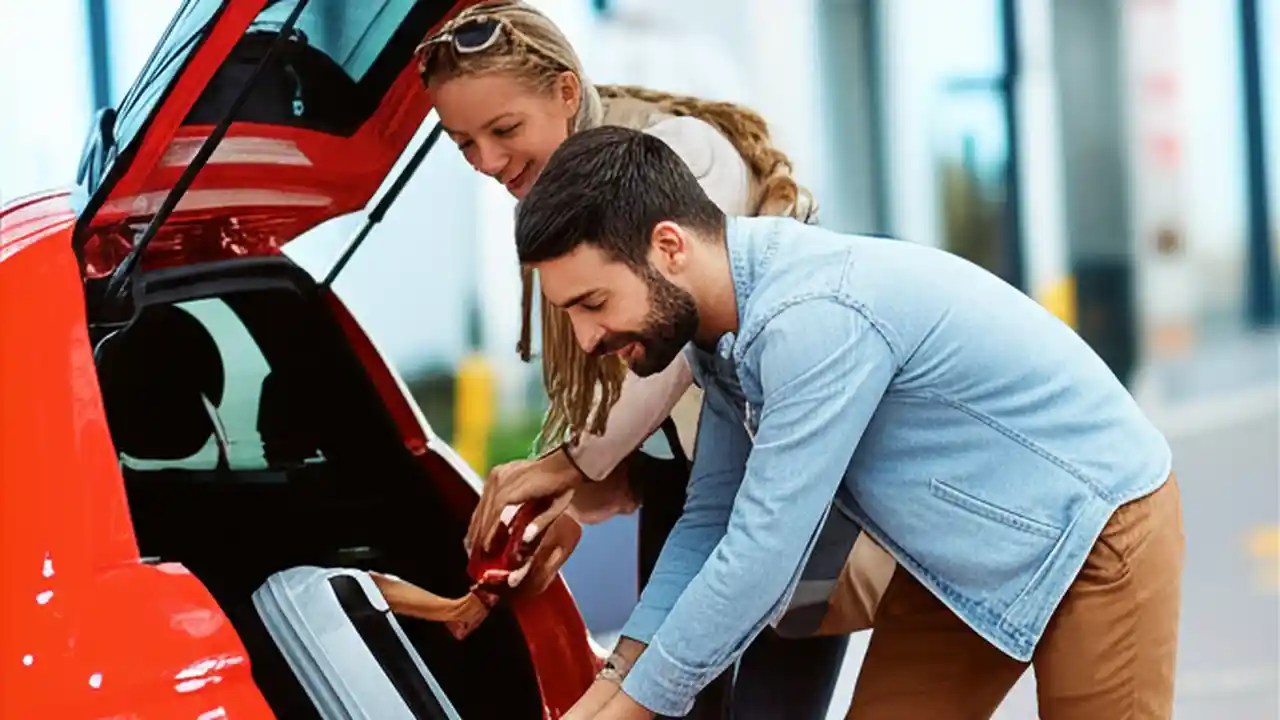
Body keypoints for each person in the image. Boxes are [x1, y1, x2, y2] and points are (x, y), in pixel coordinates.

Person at [511, 125, 1185, 719]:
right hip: (956, 553)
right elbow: (710, 518)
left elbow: (762, 552)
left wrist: (634, 709)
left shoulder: (814, 319)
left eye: (593, 302)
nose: (588, 336)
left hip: (1091, 525)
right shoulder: (719, 326)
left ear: (668, 247)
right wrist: (616, 679)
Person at [415, 3, 894, 717]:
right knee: (673, 703)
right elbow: (601, 368)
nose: (486, 161)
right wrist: (567, 493)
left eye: (504, 130)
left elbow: (669, 335)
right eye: (463, 144)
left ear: (566, 93)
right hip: (690, 485)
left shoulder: (679, 153)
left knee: (769, 708)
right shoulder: (556, 205)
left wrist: (569, 467)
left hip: (788, 470)